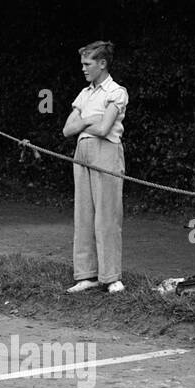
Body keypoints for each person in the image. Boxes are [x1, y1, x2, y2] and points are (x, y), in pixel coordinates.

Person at [62, 41, 129, 294]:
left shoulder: (116, 91)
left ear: (102, 63)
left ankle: (111, 277)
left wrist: (83, 122)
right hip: (83, 152)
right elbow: (67, 130)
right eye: (82, 64)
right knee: (84, 214)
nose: (83, 68)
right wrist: (90, 119)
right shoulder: (85, 94)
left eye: (87, 64)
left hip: (106, 151)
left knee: (107, 215)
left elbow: (104, 130)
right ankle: (86, 275)